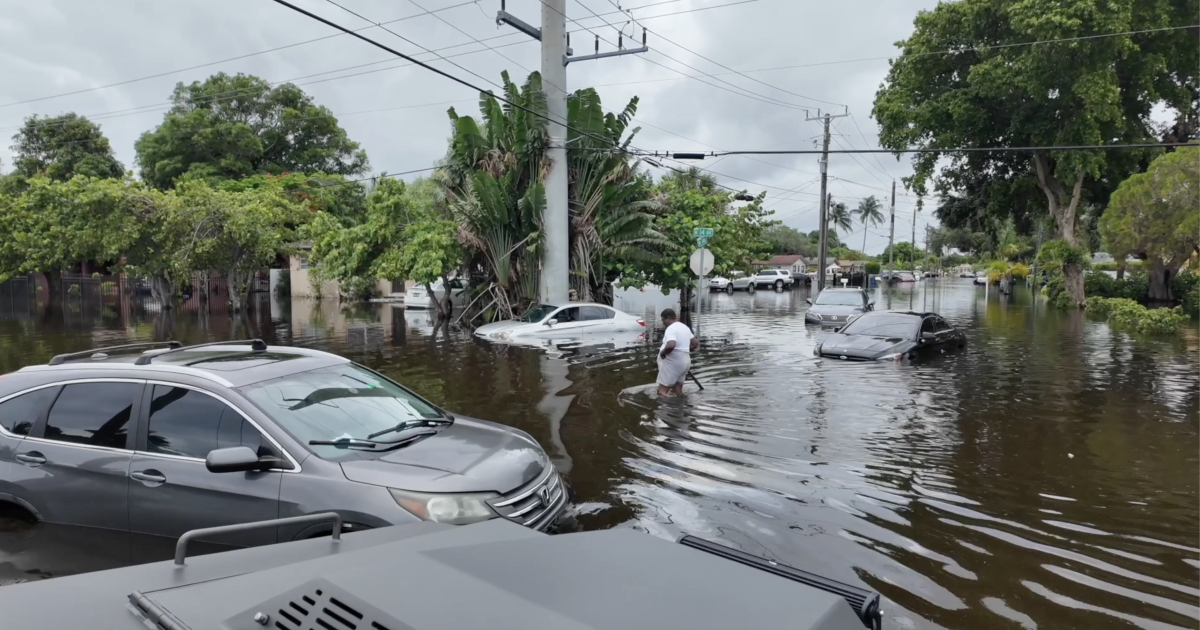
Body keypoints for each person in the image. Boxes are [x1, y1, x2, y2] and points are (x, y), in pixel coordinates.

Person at [656, 308, 698, 397]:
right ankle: (681, 407)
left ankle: (668, 411)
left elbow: (671, 345)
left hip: (673, 364)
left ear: (668, 318)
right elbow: (695, 343)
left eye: (663, 320)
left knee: (662, 392)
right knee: (677, 390)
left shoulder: (671, 329)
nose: (663, 323)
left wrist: (663, 353)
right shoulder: (684, 327)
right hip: (685, 362)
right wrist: (683, 352)